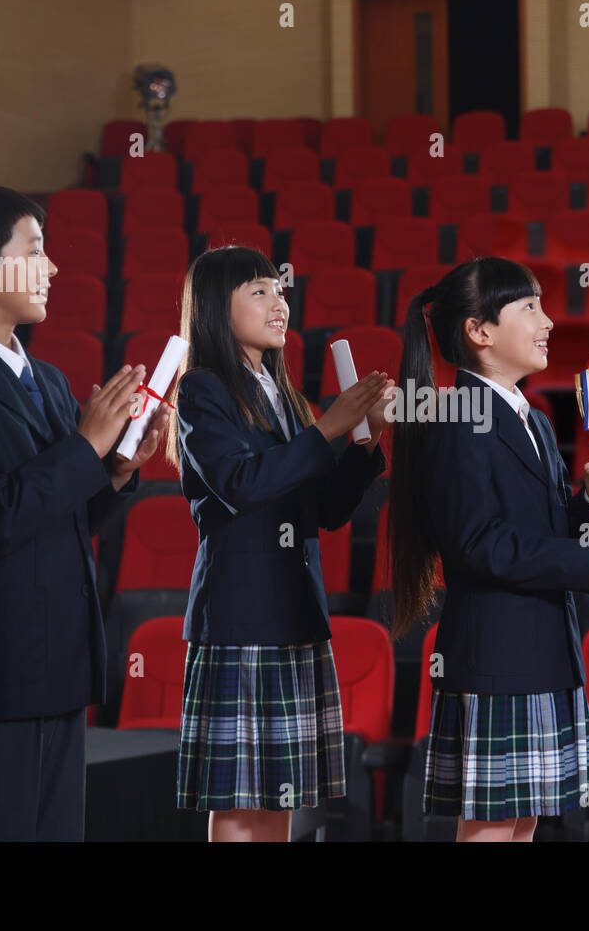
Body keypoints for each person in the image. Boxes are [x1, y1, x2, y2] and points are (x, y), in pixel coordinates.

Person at [0, 181, 166, 840]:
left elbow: (58, 518)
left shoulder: (44, 378)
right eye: (35, 249)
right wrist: (84, 446)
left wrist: (114, 471)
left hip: (53, 670)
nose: (51, 267)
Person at [387, 257, 589, 841]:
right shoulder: (460, 419)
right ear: (479, 332)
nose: (547, 321)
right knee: (491, 832)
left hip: (540, 649)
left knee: (520, 828)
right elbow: (479, 544)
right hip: (496, 657)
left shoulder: (534, 420)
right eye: (529, 307)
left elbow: (537, 526)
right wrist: (588, 563)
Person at [165, 245, 392, 842]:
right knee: (240, 804)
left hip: (294, 612)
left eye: (281, 291)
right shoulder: (202, 390)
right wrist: (328, 429)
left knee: (279, 798)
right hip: (241, 618)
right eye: (259, 291)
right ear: (218, 307)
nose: (279, 303)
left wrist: (364, 451)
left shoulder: (282, 394)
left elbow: (324, 511)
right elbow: (241, 484)